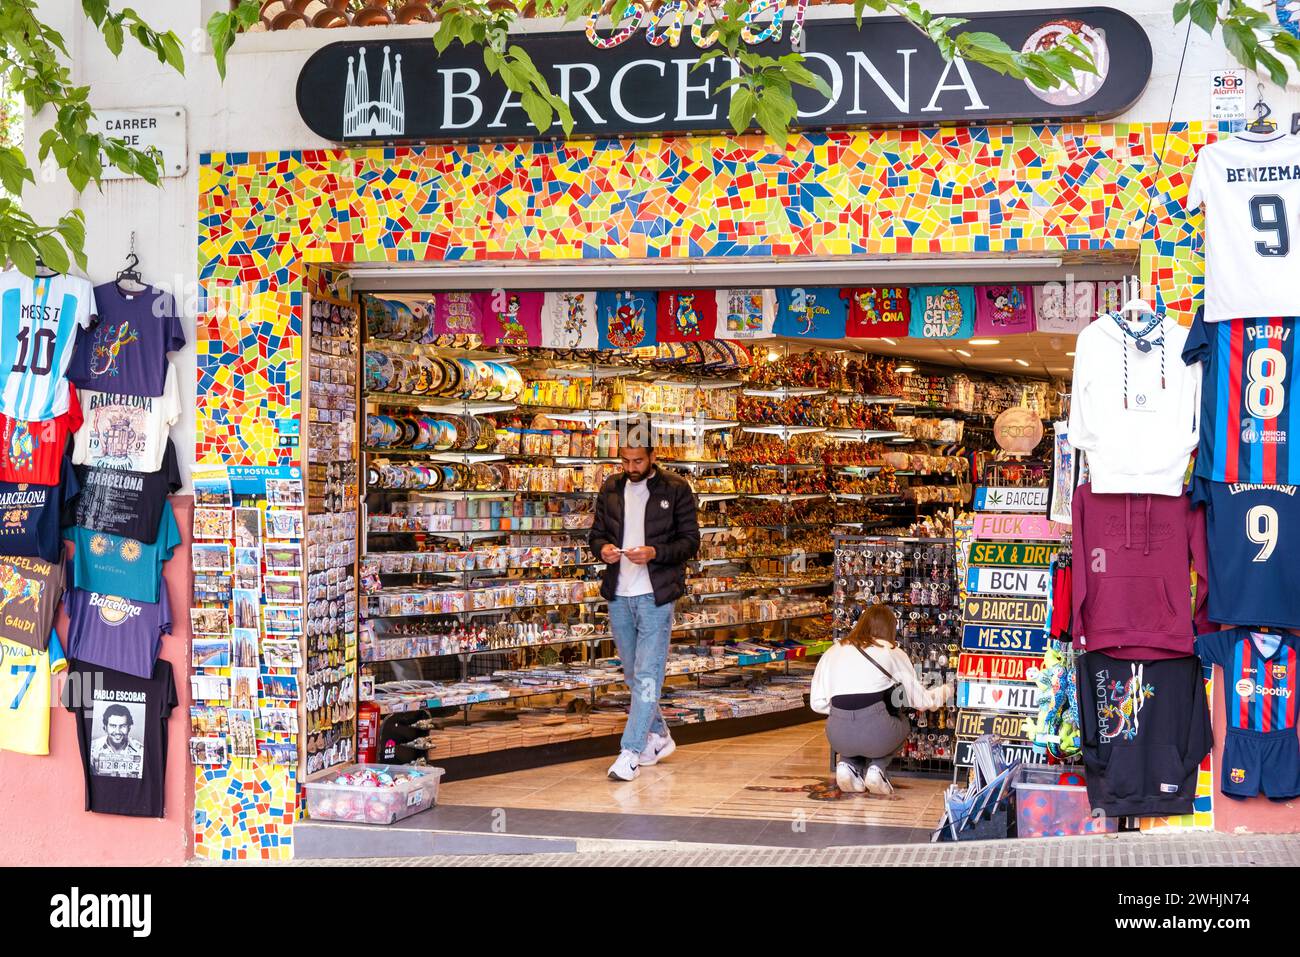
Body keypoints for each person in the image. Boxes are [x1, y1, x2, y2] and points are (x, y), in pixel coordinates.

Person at [589, 418, 700, 781]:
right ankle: (660, 734)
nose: (631, 468)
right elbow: (596, 535)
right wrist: (602, 550)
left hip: (656, 595)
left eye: (637, 461)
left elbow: (690, 543)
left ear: (653, 455)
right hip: (619, 593)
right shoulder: (611, 488)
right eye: (625, 461)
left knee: (648, 674)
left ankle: (630, 751)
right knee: (634, 674)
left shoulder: (676, 488)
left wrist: (655, 552)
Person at [810, 605, 952, 796]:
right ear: (891, 628)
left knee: (857, 728)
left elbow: (816, 703)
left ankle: (846, 764)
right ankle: (877, 769)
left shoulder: (832, 652)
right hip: (877, 733)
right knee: (902, 721)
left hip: (837, 735)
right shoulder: (892, 652)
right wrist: (946, 690)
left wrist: (846, 714)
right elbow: (922, 702)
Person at [91, 704, 144, 778]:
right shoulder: (92, 749)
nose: (117, 732)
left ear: (129, 728)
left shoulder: (141, 751)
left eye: (123, 726)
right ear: (105, 728)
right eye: (113, 726)